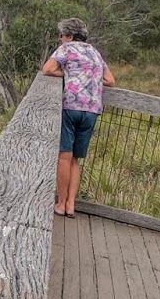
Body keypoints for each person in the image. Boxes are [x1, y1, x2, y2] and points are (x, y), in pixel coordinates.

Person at [42, 17, 115, 218]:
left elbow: (47, 69)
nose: (61, 39)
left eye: (63, 35)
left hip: (71, 106)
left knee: (64, 157)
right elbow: (110, 80)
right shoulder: (94, 52)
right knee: (75, 160)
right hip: (92, 110)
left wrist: (68, 76)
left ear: (70, 35)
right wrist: (88, 78)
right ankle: (71, 205)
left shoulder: (67, 49)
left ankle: (61, 203)